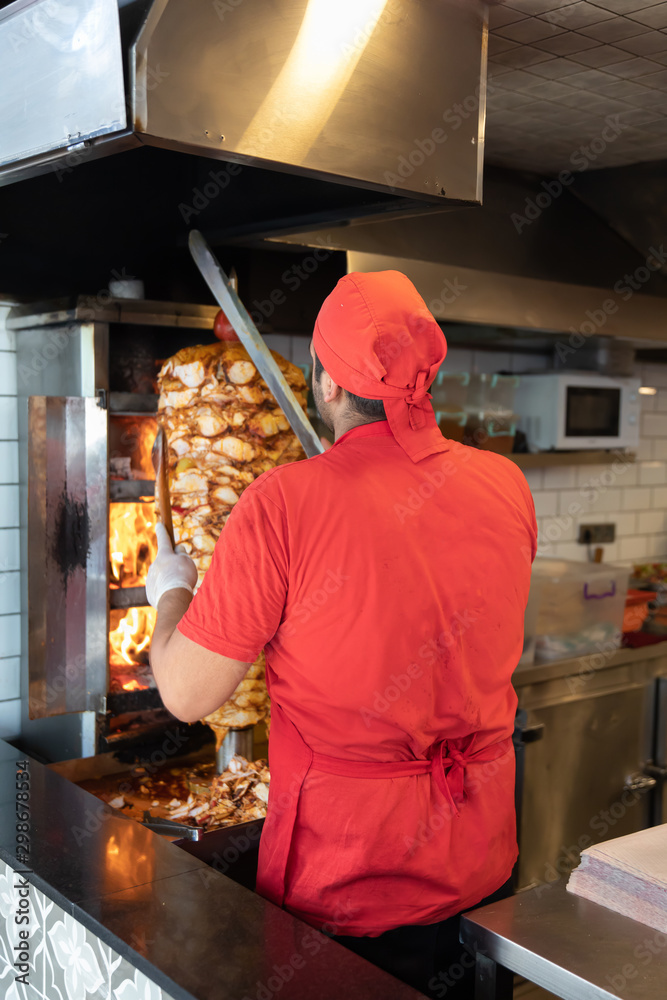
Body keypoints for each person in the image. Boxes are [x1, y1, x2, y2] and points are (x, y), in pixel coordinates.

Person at [146, 270, 537, 999]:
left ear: (324, 383)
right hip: (482, 862)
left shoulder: (284, 504)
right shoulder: (505, 483)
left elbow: (187, 694)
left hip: (354, 880)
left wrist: (171, 589)